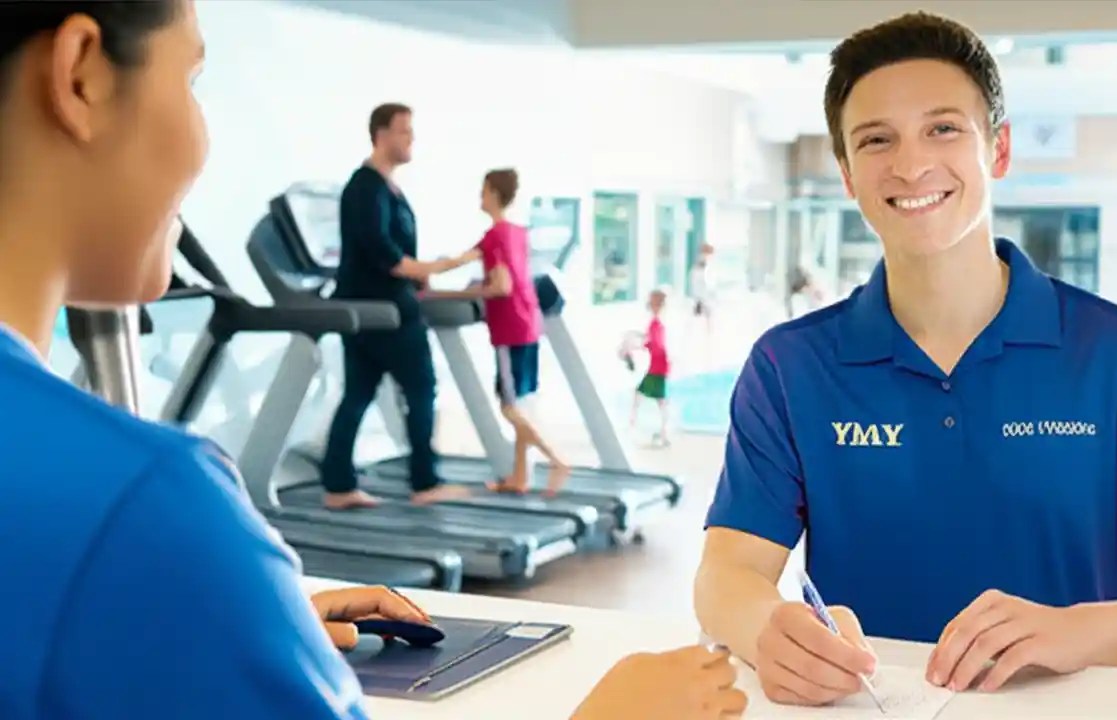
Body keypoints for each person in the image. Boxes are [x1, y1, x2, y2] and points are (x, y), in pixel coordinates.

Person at [0, 4, 747, 718]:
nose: (203, 132)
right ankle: (366, 482)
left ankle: (397, 481)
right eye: (191, 80)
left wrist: (227, 622)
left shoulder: (142, 541)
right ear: (82, 76)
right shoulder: (152, 506)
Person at [694, 10, 1117, 708]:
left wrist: (1077, 632)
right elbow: (726, 572)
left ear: (997, 150)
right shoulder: (790, 367)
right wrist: (766, 629)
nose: (911, 165)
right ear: (847, 176)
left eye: (943, 129)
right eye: (876, 140)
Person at [319, 102, 469, 509]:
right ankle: (424, 481)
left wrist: (422, 271)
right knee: (421, 389)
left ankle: (337, 485)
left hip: (374, 306)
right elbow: (381, 250)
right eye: (405, 132)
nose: (411, 140)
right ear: (382, 135)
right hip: (385, 310)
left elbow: (391, 248)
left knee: (358, 393)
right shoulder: (366, 186)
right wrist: (435, 265)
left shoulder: (383, 187)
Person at [424, 169, 571, 497]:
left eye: (483, 190)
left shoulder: (496, 236)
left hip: (510, 328)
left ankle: (558, 460)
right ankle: (520, 478)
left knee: (509, 407)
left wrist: (445, 293)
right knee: (524, 404)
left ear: (493, 193)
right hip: (531, 323)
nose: (480, 195)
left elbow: (501, 286)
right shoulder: (517, 233)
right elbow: (460, 261)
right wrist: (425, 274)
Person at [626, 288, 672, 448]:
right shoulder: (657, 323)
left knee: (650, 398)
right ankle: (663, 432)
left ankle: (661, 431)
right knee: (655, 399)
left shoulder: (656, 324)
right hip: (659, 365)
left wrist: (643, 344)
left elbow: (657, 345)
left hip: (657, 366)